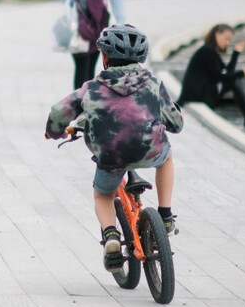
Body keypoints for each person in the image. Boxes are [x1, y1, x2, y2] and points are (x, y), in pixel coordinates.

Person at [44, 24, 183, 271]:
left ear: (105, 57)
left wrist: (53, 131)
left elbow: (58, 112)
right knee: (168, 156)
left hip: (111, 154)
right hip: (149, 149)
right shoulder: (152, 83)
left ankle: (110, 236)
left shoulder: (92, 87)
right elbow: (176, 123)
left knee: (103, 195)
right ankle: (165, 215)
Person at [179, 23, 245, 129]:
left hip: (203, 94)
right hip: (197, 97)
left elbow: (227, 72)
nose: (227, 43)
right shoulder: (207, 52)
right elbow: (219, 77)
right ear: (217, 35)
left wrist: (236, 53)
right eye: (226, 39)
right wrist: (241, 73)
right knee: (235, 81)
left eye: (229, 40)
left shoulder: (211, 51)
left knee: (235, 80)